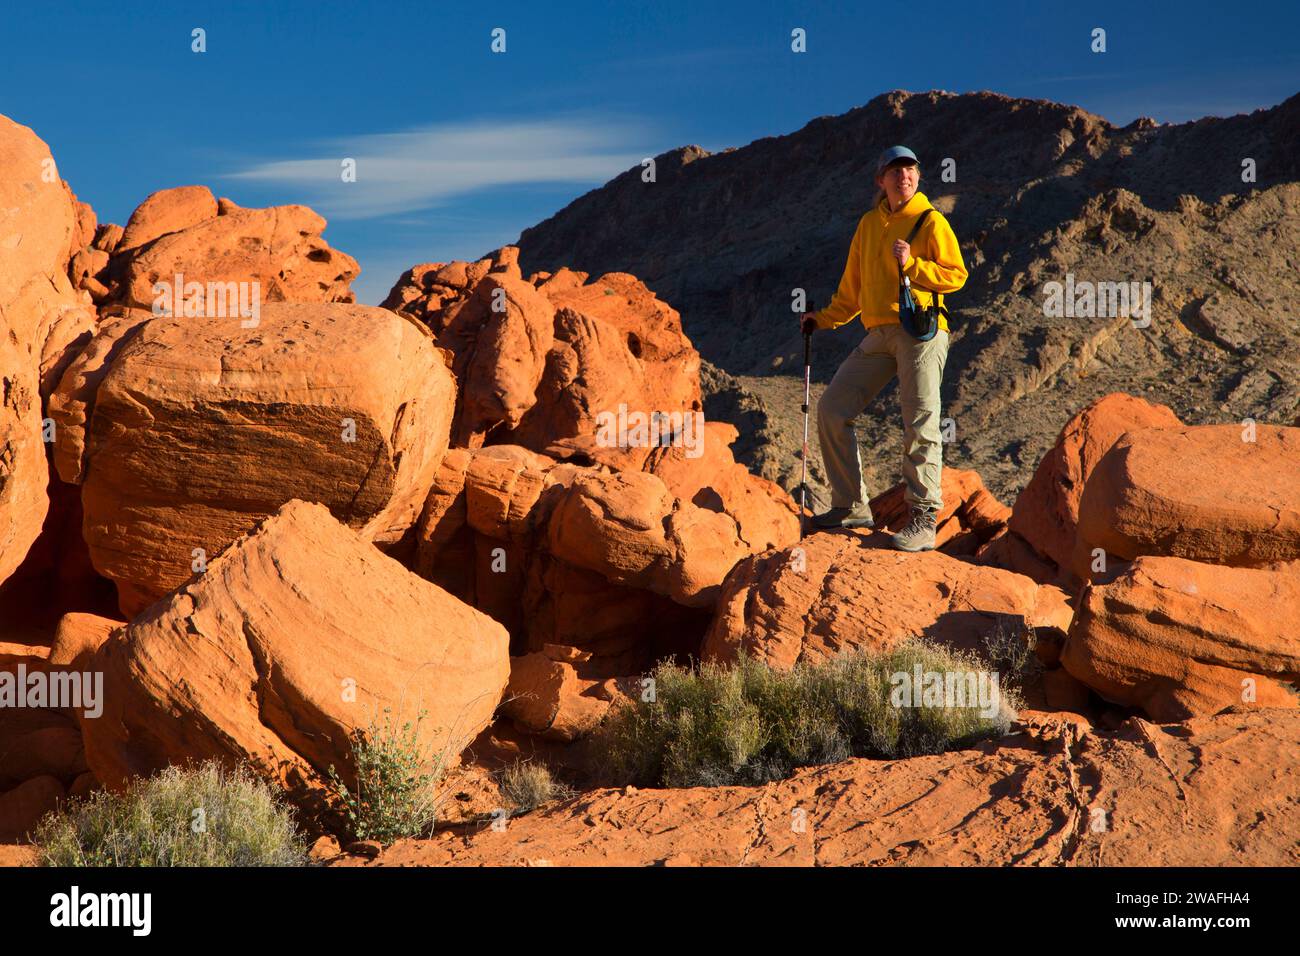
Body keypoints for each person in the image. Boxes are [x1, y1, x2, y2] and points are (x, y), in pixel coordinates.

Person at [800, 145, 968, 551]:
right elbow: (851, 292)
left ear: (918, 177)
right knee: (833, 408)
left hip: (921, 332)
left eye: (910, 170)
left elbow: (957, 275)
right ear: (881, 180)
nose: (904, 176)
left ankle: (924, 519)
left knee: (921, 421)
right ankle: (850, 505)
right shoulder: (868, 225)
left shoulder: (930, 221)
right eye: (895, 171)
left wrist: (913, 264)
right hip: (878, 333)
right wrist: (821, 319)